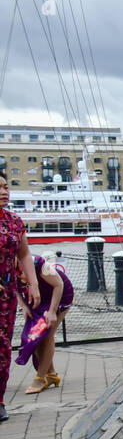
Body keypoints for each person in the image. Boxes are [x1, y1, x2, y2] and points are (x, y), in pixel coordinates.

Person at [0, 173, 39, 420]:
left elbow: (24, 254)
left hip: (6, 295)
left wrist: (33, 284)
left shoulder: (14, 221)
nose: (4, 191)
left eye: (5, 186)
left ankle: (0, 400)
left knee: (3, 347)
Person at [16, 253, 74, 393]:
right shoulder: (6, 268)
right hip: (36, 298)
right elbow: (14, 288)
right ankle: (52, 375)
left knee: (46, 335)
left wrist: (53, 311)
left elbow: (59, 284)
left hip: (59, 296)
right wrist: (23, 306)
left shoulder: (39, 264)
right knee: (34, 336)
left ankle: (40, 378)